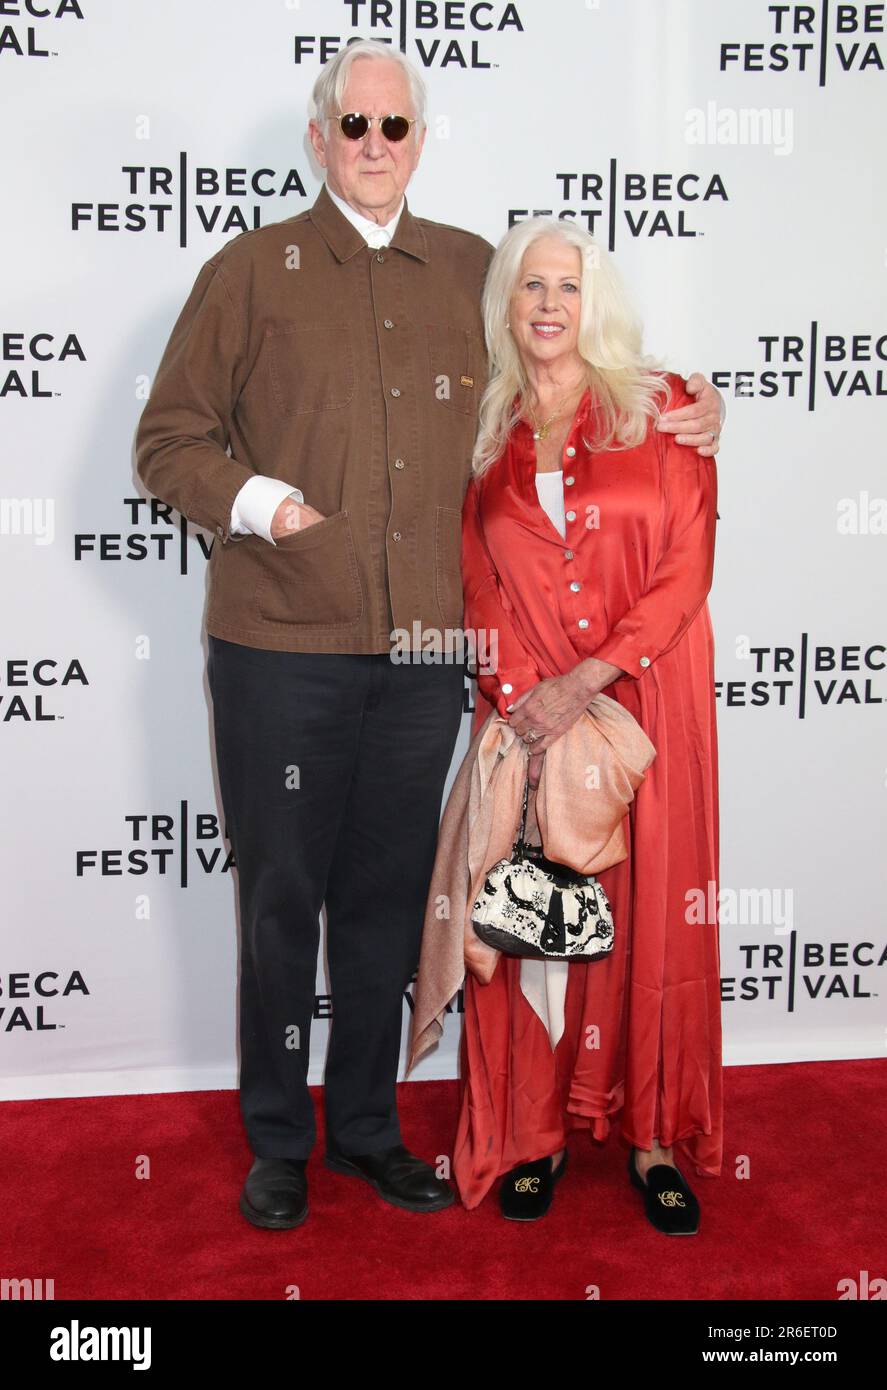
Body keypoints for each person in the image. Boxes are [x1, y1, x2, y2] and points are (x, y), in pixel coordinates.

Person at [134, 40, 725, 1232]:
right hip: (277, 647)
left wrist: (688, 398)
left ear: (418, 139)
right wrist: (260, 502)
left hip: (419, 663)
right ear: (317, 138)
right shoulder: (248, 271)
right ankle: (275, 1143)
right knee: (277, 898)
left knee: (386, 898)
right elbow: (168, 443)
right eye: (351, 126)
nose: (371, 145)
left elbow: (562, 371)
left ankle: (361, 1129)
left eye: (393, 128)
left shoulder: (470, 272)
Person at [449, 216, 721, 1233]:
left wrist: (593, 678)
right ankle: (533, 1134)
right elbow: (474, 584)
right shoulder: (487, 429)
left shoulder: (668, 407)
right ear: (506, 307)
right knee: (534, 916)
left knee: (649, 912)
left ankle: (650, 1134)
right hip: (530, 711)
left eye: (567, 284)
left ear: (592, 301)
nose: (549, 303)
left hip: (647, 705)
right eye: (530, 287)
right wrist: (524, 695)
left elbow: (685, 567)